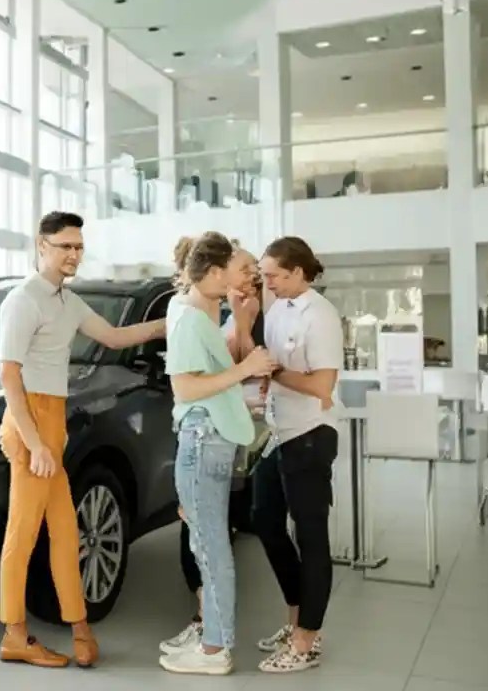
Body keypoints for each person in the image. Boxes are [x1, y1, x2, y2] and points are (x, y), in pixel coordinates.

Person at [0, 211, 166, 669]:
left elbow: (112, 337)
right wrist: (35, 445)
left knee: (66, 533)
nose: (74, 254)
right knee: (23, 533)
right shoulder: (23, 299)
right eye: (65, 246)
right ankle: (15, 634)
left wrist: (167, 325)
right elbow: (9, 376)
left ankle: (79, 628)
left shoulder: (66, 301)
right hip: (30, 421)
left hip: (53, 421)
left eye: (78, 247)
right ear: (41, 245)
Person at [159, 233, 277, 676]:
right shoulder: (190, 318)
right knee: (210, 544)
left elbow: (193, 384)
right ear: (212, 273)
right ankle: (214, 643)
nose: (242, 278)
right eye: (234, 269)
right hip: (207, 434)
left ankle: (214, 649)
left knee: (208, 545)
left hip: (204, 437)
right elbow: (185, 387)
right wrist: (245, 370)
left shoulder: (194, 314)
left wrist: (242, 352)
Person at [252, 236, 343, 674]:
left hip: (310, 433)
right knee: (264, 518)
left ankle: (307, 639)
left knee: (311, 537)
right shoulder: (276, 308)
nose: (265, 280)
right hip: (279, 431)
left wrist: (277, 372)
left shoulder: (320, 316)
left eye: (272, 274)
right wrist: (276, 380)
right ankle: (295, 618)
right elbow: (279, 371)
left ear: (298, 273)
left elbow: (322, 386)